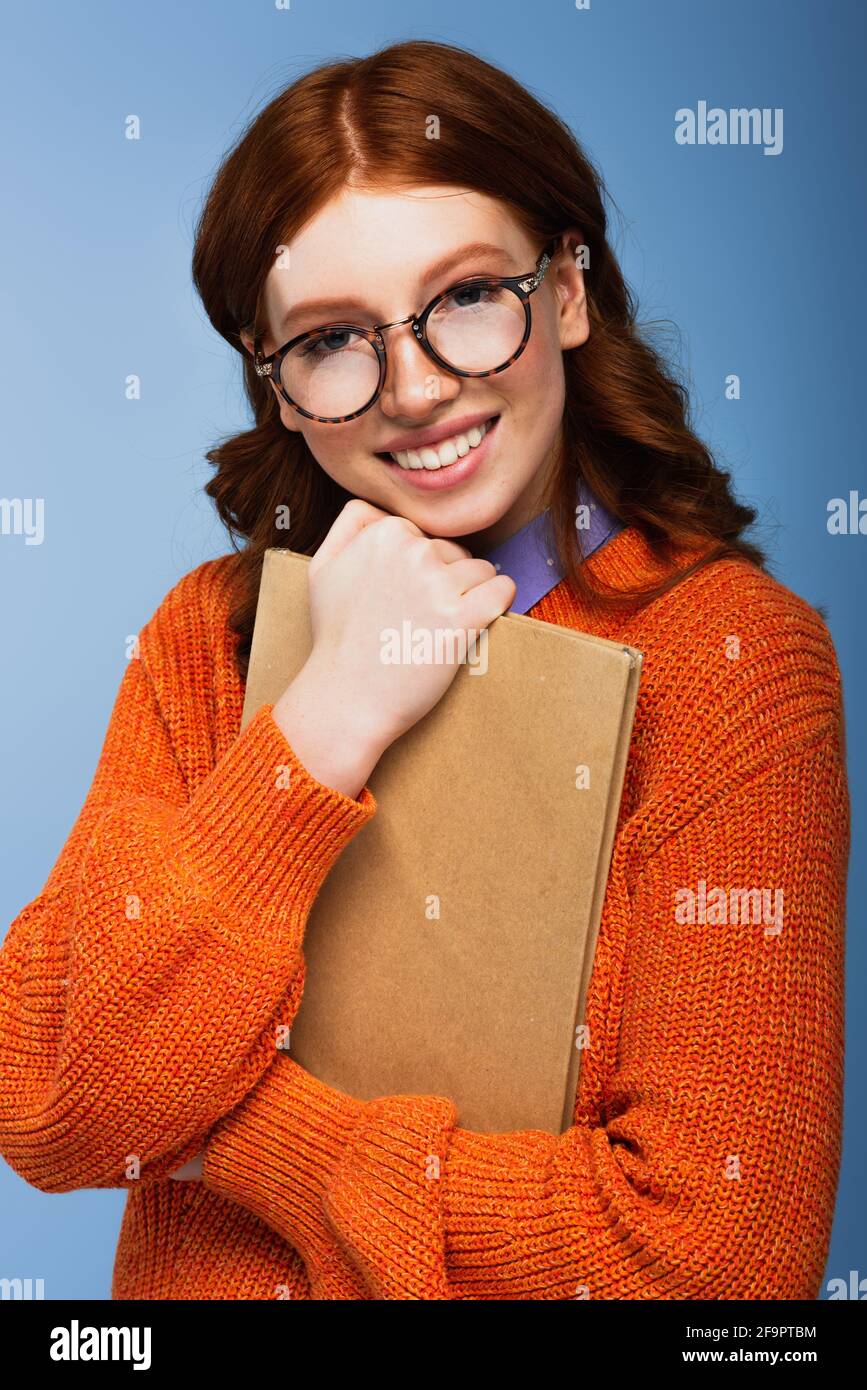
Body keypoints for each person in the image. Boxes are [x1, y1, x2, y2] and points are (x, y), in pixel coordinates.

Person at [0, 39, 848, 1301]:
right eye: (334, 339)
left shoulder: (734, 665)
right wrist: (321, 723)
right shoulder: (206, 637)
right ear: (277, 386)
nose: (414, 391)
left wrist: (245, 1131)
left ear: (567, 290)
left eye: (462, 298)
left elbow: (711, 1264)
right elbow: (47, 1094)